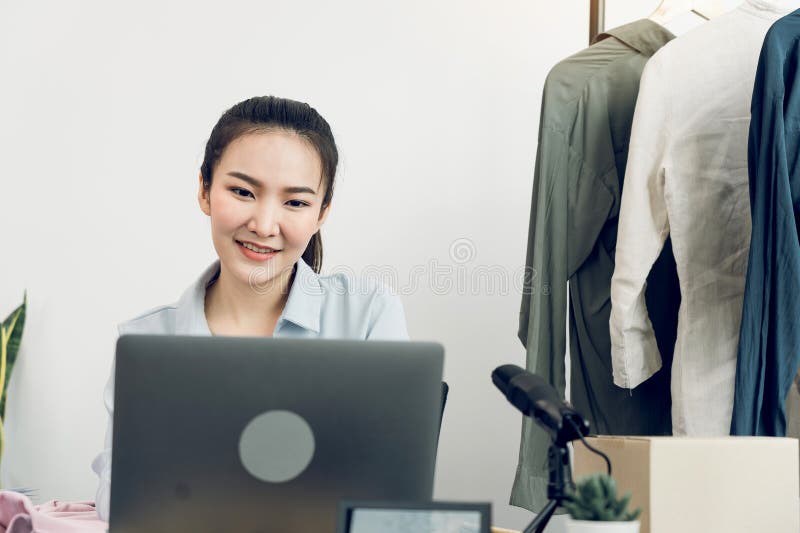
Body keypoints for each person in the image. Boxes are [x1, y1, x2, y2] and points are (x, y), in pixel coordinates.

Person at [91, 96, 409, 521]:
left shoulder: (367, 314)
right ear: (204, 190)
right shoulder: (145, 343)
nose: (263, 224)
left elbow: (391, 495)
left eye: (295, 202)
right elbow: (119, 500)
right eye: (242, 191)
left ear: (322, 213)